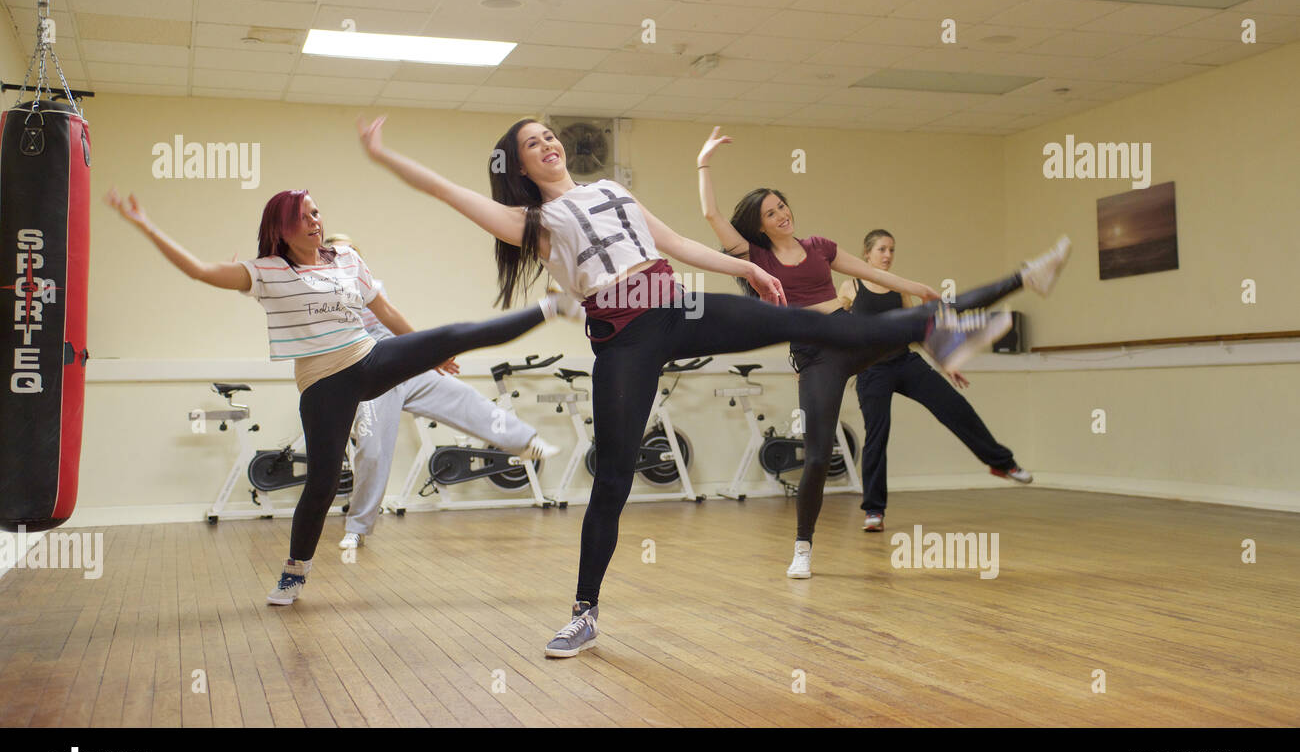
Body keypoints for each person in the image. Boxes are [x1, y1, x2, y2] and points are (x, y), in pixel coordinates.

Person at [357, 115, 1022, 657]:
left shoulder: (614, 191)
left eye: (549, 134)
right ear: (520, 167)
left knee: (818, 324)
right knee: (614, 478)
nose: (549, 143)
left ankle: (947, 326)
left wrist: (752, 271)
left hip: (678, 305)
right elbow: (448, 192)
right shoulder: (532, 223)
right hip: (625, 338)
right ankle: (584, 613)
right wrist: (386, 155)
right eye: (532, 143)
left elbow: (674, 241)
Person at [105, 187, 579, 605]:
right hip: (323, 386)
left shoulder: (348, 261)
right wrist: (146, 226)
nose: (316, 221)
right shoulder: (266, 272)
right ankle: (294, 574)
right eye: (305, 216)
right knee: (323, 481)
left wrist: (429, 354)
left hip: (369, 359)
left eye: (317, 212)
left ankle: (551, 305)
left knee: (453, 334)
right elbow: (200, 272)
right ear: (282, 228)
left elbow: (386, 310)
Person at [697, 132, 1070, 578]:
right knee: (817, 456)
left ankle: (1028, 276)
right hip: (817, 356)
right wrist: (704, 164)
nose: (782, 215)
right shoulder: (756, 258)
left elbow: (871, 272)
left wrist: (914, 288)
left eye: (783, 205)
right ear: (759, 225)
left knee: (933, 314)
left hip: (853, 333)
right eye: (771, 212)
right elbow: (711, 215)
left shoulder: (820, 247)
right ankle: (802, 547)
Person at [321, 233, 560, 550]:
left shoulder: (370, 284)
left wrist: (431, 356)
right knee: (372, 450)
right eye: (337, 253)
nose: (346, 257)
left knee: (462, 397)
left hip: (401, 361)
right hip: (371, 374)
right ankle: (357, 527)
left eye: (351, 252)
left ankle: (525, 441)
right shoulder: (319, 294)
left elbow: (392, 320)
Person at [841, 229, 1033, 533]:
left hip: (905, 362)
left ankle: (1002, 462)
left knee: (954, 406)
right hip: (872, 371)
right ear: (867, 253)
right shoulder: (850, 287)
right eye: (881, 249)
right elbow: (837, 329)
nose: (888, 255)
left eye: (892, 249)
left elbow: (919, 331)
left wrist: (947, 362)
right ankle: (874, 511)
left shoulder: (900, 289)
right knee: (877, 436)